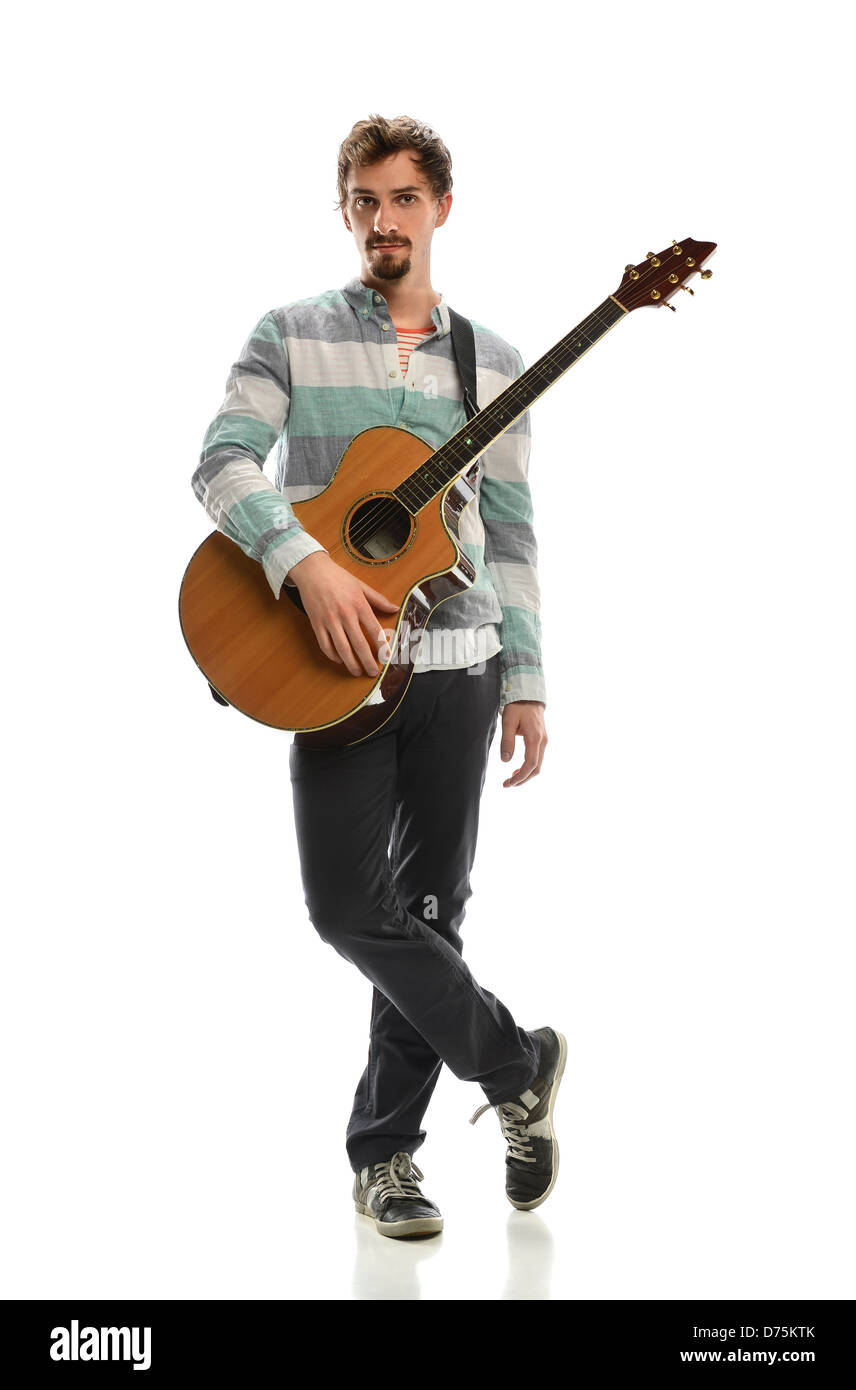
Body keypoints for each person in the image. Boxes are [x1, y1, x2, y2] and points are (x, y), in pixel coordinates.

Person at [191, 114, 566, 1240]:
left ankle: (385, 1160)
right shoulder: (291, 333)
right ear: (344, 210)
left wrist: (530, 680)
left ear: (439, 208)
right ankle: (515, 1064)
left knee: (433, 918)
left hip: (457, 668)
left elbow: (509, 529)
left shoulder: (489, 362)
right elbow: (218, 460)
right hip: (334, 673)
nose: (383, 221)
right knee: (349, 908)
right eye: (364, 200)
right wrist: (301, 563)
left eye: (404, 199)